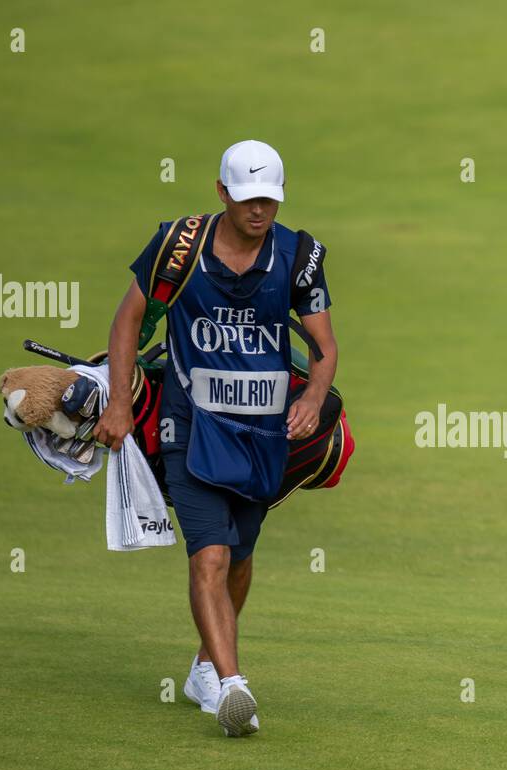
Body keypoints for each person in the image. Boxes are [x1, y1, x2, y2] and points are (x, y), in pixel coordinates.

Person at [95, 140, 337, 738]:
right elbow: (128, 319)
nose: (260, 211)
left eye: (270, 201)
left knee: (241, 554)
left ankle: (205, 666)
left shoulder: (299, 255)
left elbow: (324, 348)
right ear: (223, 193)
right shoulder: (177, 247)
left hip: (262, 434)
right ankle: (234, 687)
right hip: (190, 426)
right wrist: (121, 402)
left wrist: (309, 401)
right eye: (249, 198)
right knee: (209, 551)